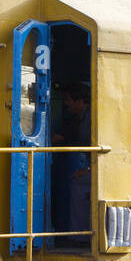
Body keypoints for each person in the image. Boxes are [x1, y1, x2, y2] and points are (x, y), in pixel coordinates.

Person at [51, 83, 91, 246]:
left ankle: (81, 236)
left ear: (79, 100)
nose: (66, 104)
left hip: (101, 168)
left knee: (78, 184)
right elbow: (63, 134)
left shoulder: (92, 118)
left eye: (68, 100)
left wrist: (88, 169)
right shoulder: (79, 118)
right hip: (93, 166)